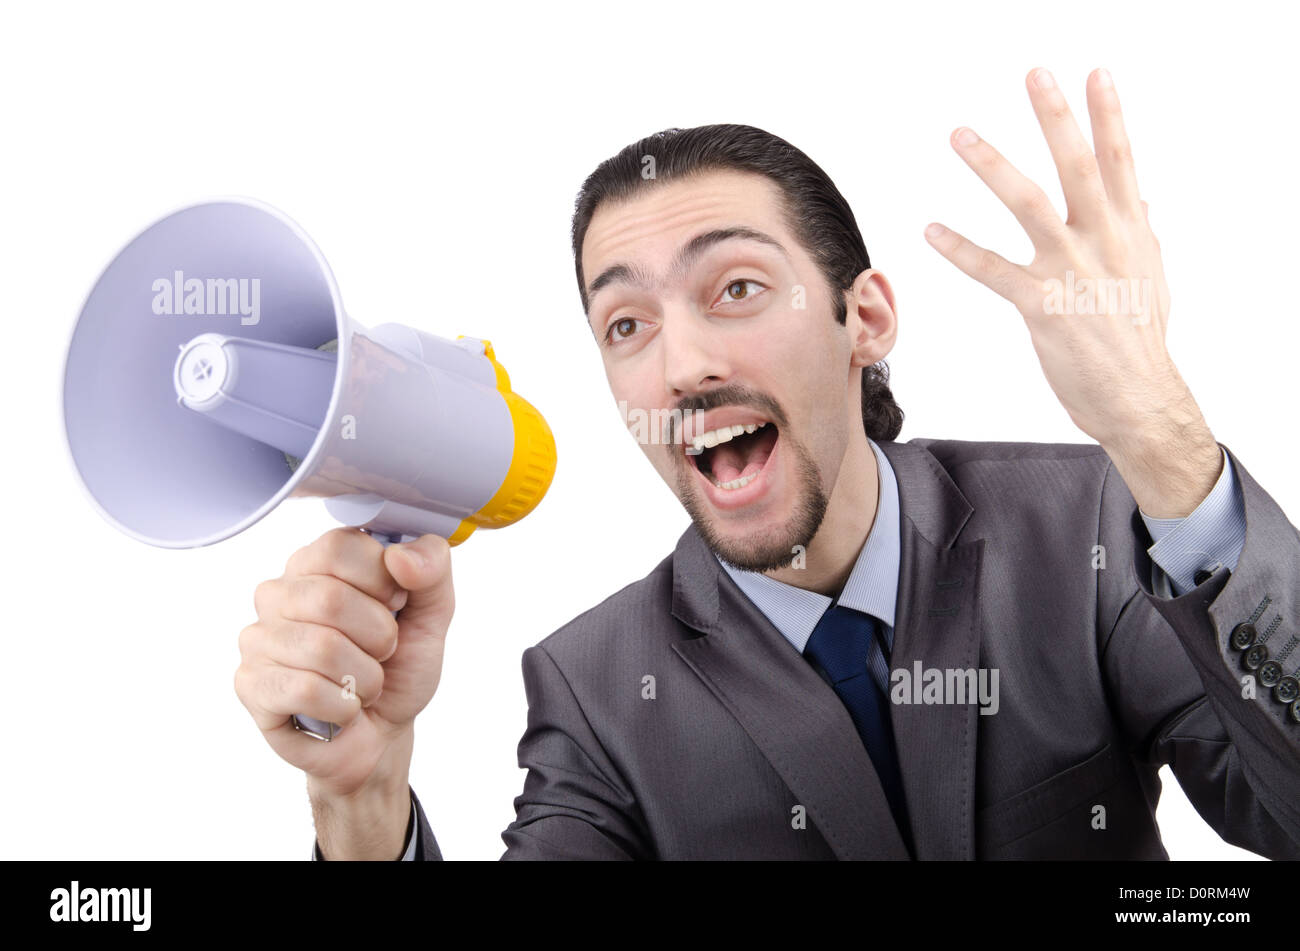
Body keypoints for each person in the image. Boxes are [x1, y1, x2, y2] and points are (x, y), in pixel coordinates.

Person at [234, 68, 1300, 860]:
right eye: (625, 324)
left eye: (736, 288)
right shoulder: (597, 689)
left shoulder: (1085, 532)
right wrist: (361, 806)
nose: (682, 364)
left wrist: (1160, 440)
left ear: (863, 319)